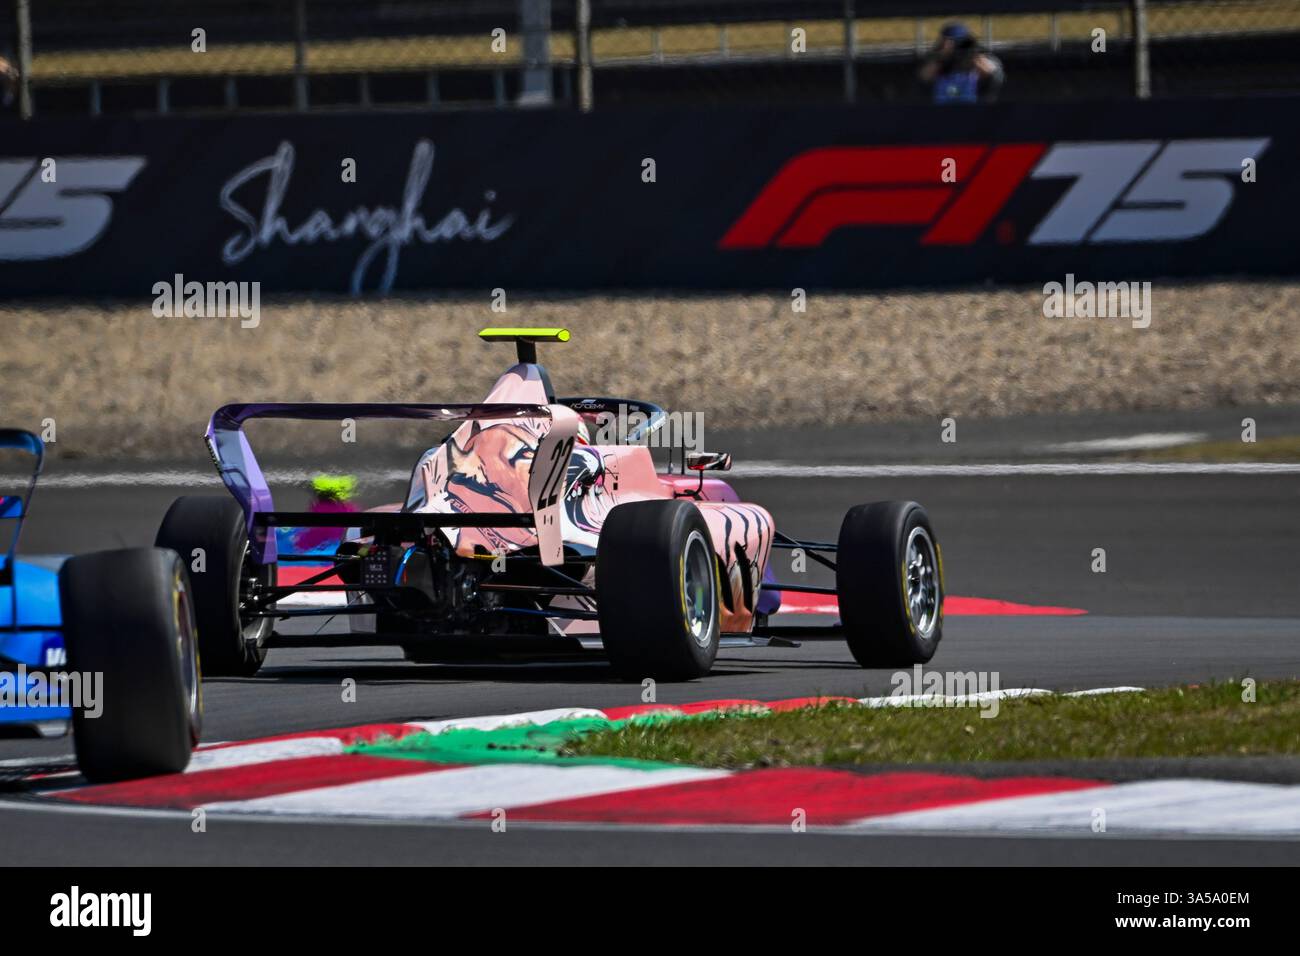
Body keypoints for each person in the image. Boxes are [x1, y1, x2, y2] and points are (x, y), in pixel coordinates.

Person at [919, 23, 1004, 104]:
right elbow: (924, 76)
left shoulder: (978, 56)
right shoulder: (937, 58)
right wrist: (942, 57)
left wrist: (971, 54)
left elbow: (993, 74)